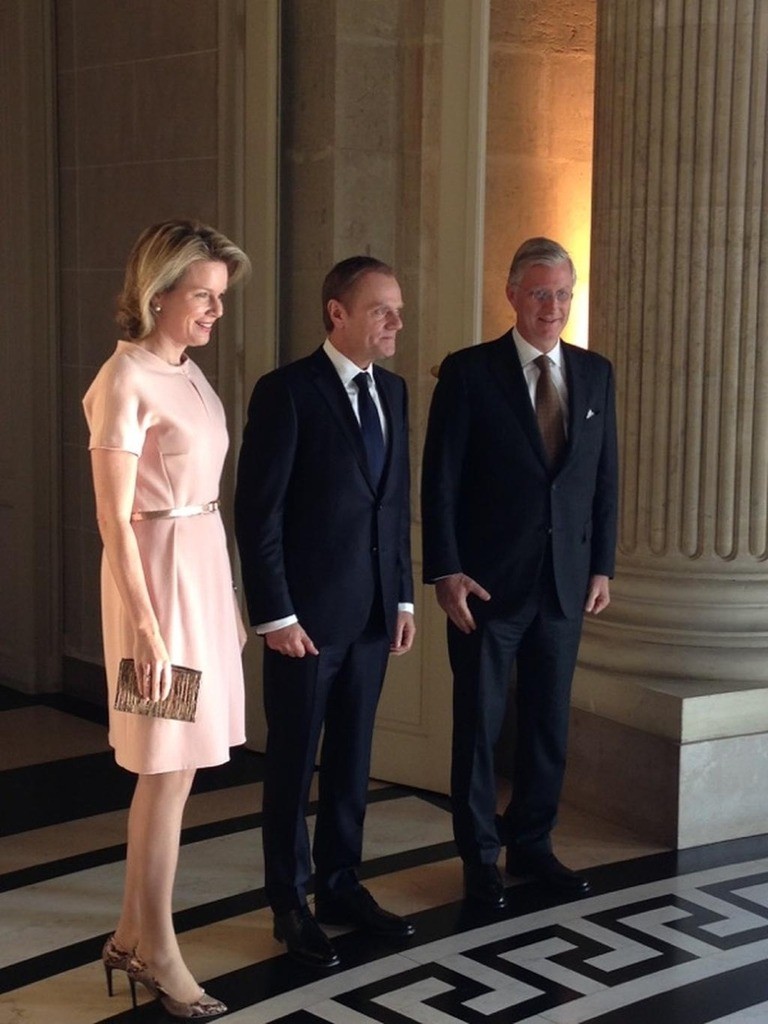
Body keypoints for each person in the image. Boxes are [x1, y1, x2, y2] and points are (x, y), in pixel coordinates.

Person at [83, 219, 250, 1019]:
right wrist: (148, 630)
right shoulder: (125, 382)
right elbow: (115, 522)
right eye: (203, 296)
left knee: (178, 772)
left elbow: (202, 501)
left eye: (220, 297)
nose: (216, 310)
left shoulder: (186, 372)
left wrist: (226, 608)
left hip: (199, 586)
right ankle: (160, 951)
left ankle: (127, 935)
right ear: (157, 295)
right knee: (164, 770)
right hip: (154, 599)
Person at [421, 237, 618, 909]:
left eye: (563, 294)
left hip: (565, 585)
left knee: (546, 724)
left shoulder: (595, 375)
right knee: (479, 725)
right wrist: (445, 569)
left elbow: (602, 480)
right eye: (539, 293)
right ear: (511, 295)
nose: (552, 307)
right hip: (485, 586)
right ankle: (480, 857)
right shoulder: (470, 373)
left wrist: (603, 566)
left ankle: (532, 845)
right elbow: (440, 480)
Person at [234, 255, 416, 969]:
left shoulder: (395, 393)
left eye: (398, 308)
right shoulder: (287, 392)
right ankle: (291, 903)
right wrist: (276, 616)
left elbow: (393, 505)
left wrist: (401, 594)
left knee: (351, 759)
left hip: (372, 616)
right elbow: (260, 512)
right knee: (292, 763)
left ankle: (342, 885)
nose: (397, 322)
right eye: (382, 310)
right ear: (337, 313)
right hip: (304, 625)